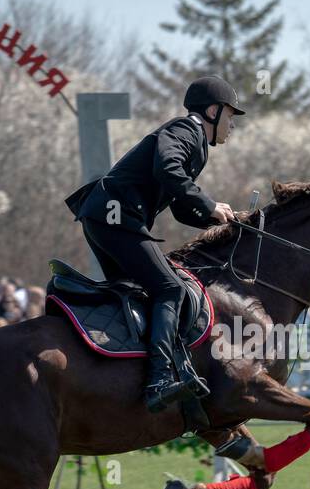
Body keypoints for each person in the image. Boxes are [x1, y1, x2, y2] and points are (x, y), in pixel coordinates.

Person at [64, 75, 245, 413]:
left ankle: (120, 375)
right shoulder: (185, 130)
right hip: (115, 218)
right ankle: (160, 378)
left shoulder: (196, 146)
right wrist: (209, 205)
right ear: (211, 111)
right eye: (230, 116)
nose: (232, 126)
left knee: (135, 293)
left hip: (105, 217)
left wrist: (216, 218)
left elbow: (179, 206)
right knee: (170, 290)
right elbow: (168, 169)